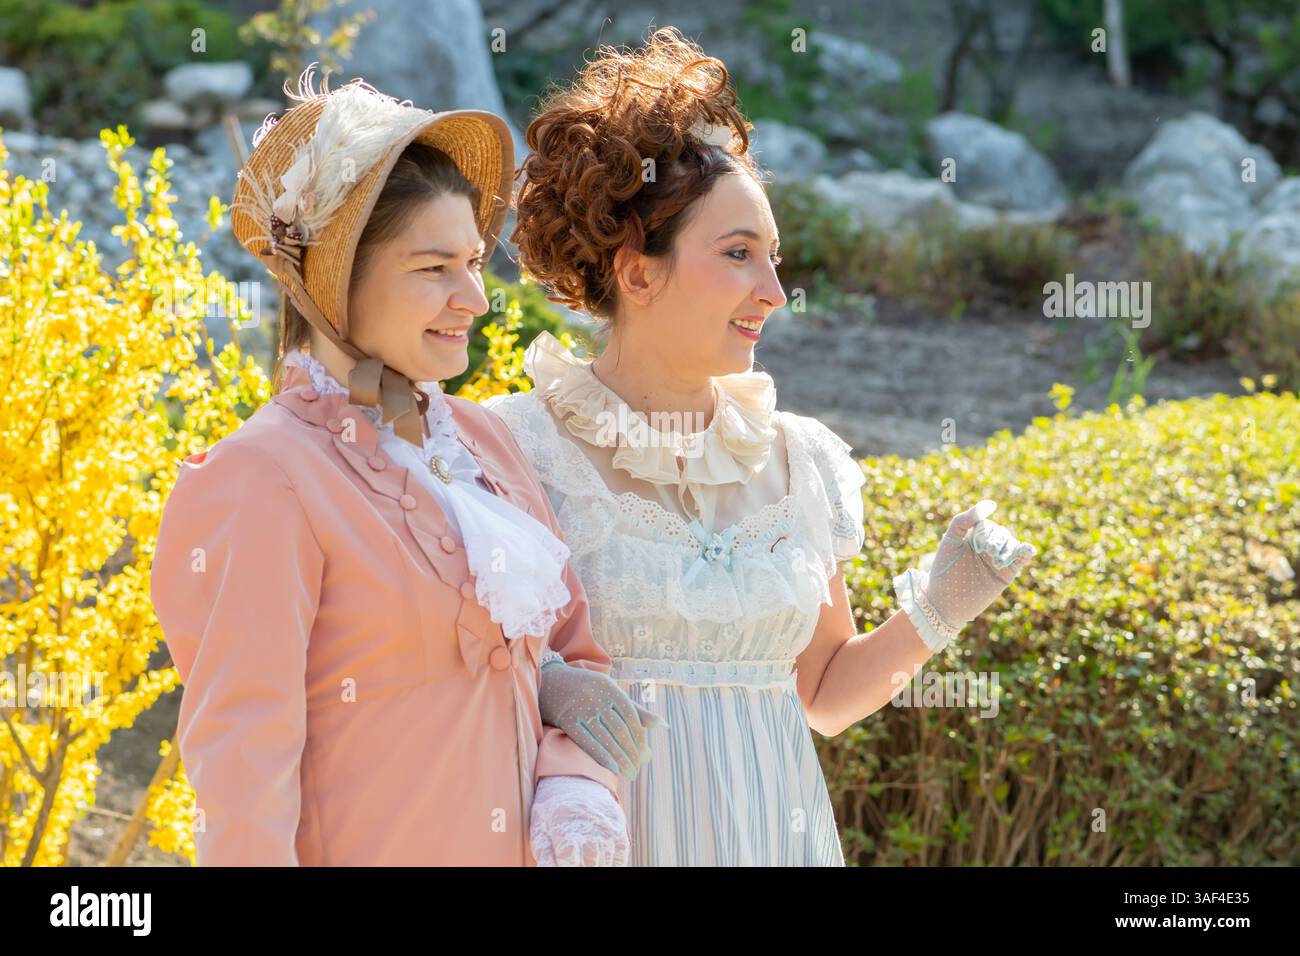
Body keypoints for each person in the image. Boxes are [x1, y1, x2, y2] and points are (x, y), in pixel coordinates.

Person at [486, 28, 1038, 865]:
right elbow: (451, 678)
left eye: (773, 259)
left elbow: (822, 694)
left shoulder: (800, 460)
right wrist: (551, 687)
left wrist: (941, 604)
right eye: (739, 255)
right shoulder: (513, 450)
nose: (775, 293)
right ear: (638, 272)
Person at [150, 66, 651, 866]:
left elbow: (571, 649)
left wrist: (572, 774)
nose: (475, 300)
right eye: (432, 269)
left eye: (476, 262)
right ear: (332, 282)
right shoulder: (262, 479)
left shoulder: (485, 446)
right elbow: (243, 771)